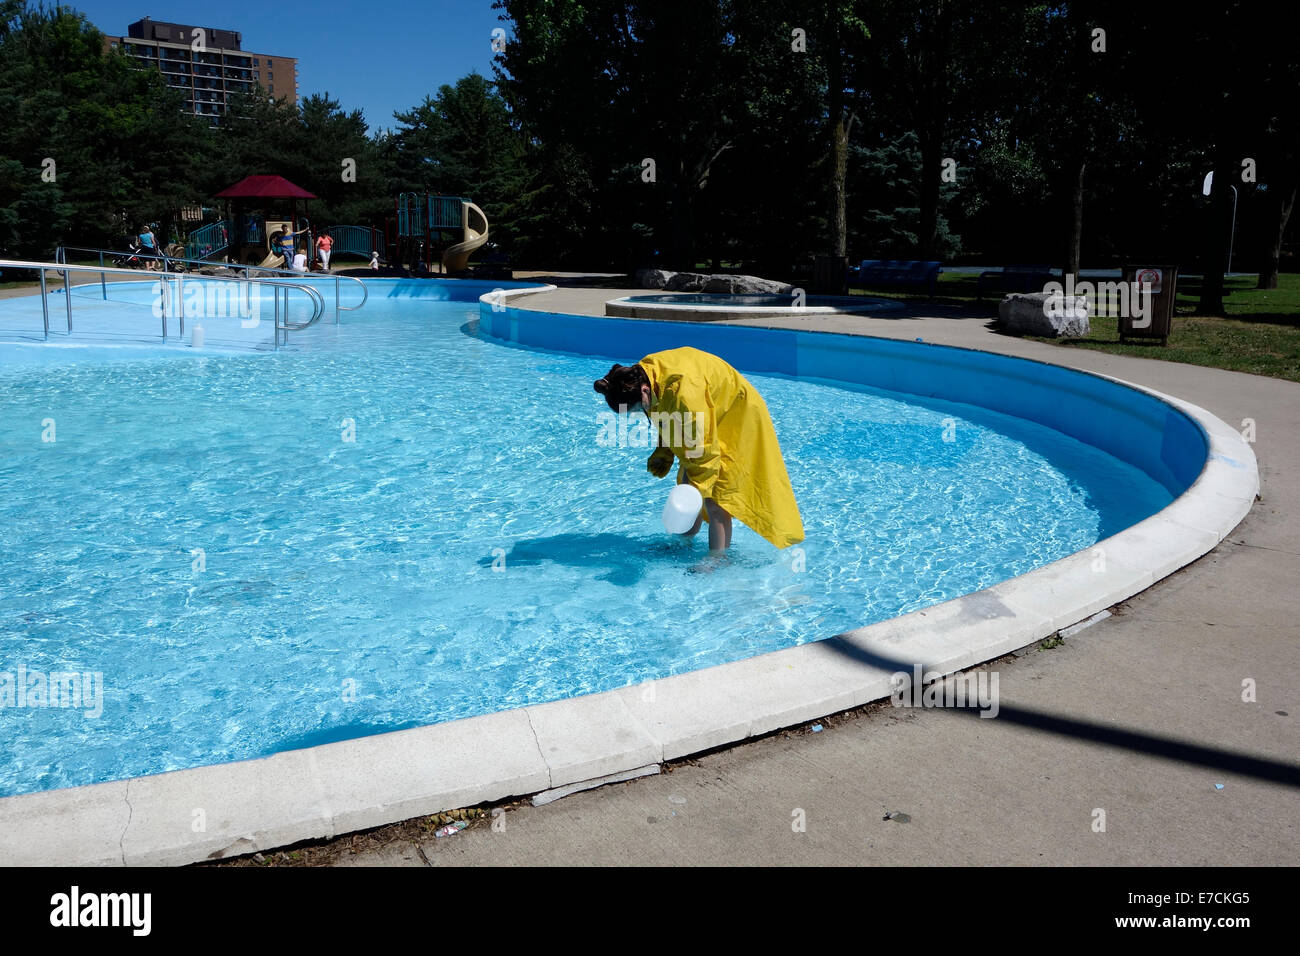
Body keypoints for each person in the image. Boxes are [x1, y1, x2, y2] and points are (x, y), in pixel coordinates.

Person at [593, 346, 804, 553]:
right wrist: (664, 450)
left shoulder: (685, 392)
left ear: (644, 391)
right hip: (707, 408)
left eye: (639, 408)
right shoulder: (642, 376)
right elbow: (668, 415)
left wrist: (696, 489)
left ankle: (717, 559)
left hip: (736, 414)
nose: (641, 413)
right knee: (688, 480)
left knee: (715, 497)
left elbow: (704, 452)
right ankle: (683, 542)